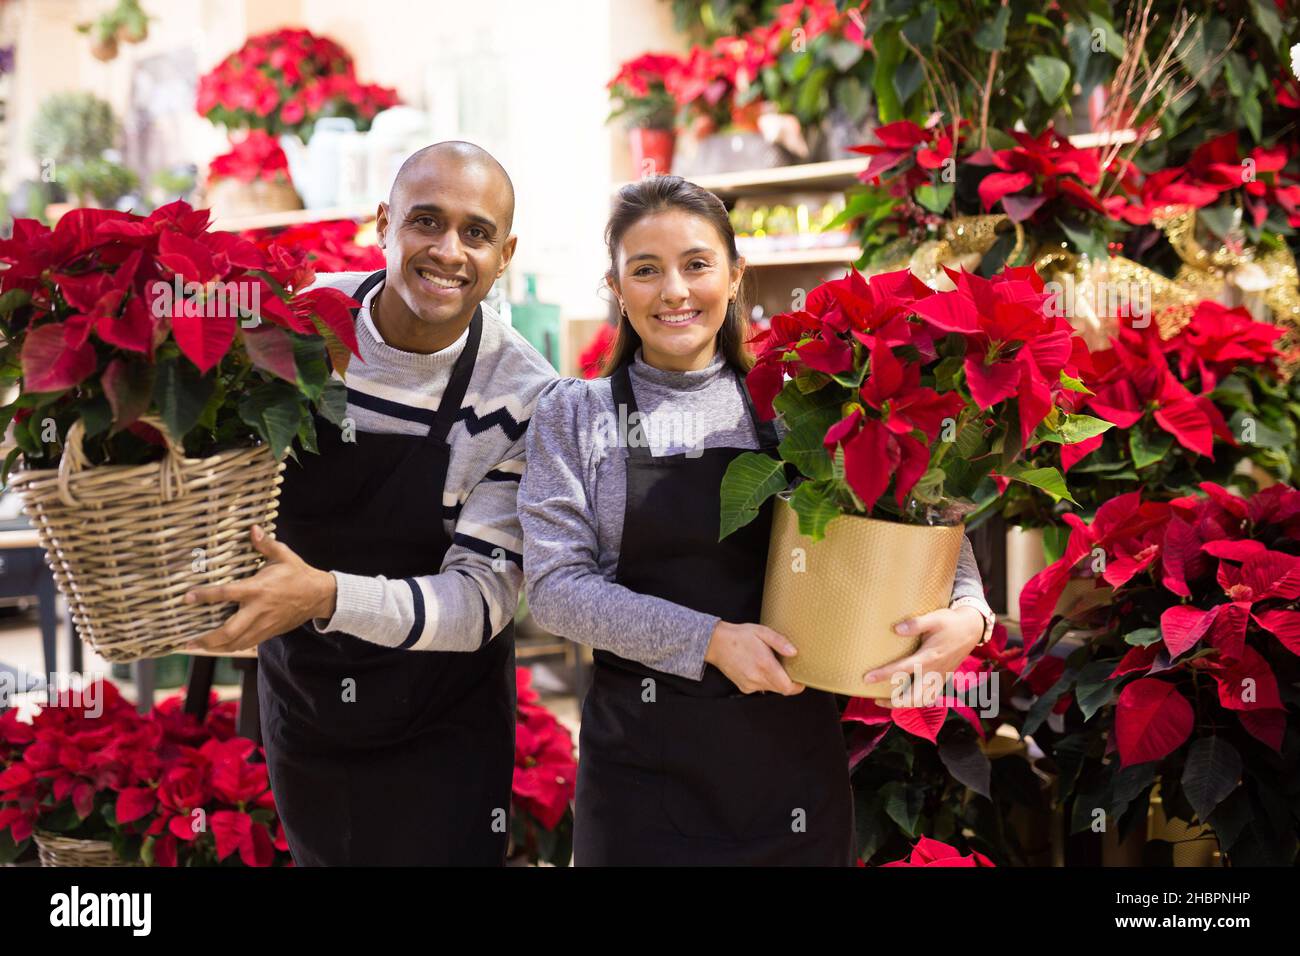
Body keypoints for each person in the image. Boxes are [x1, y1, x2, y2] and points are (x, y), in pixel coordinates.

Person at [518, 175, 994, 866]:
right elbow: (557, 590)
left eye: (697, 264)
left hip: (789, 784)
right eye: (645, 271)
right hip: (640, 788)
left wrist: (970, 615)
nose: (674, 291)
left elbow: (921, 520)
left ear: (736, 277)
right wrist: (710, 640)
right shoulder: (576, 414)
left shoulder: (803, 400)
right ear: (616, 288)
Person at [187, 142, 555, 865]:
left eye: (476, 232)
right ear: (382, 222)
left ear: (505, 253)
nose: (449, 250)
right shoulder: (293, 332)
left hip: (444, 721)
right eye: (426, 221)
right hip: (307, 695)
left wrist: (322, 595)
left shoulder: (521, 393)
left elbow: (482, 601)